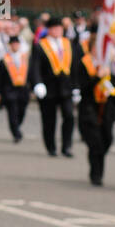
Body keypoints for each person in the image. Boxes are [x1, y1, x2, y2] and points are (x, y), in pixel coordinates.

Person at [76, 25, 115, 186]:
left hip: (106, 107)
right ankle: (96, 174)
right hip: (89, 107)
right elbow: (84, 88)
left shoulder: (108, 65)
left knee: (107, 139)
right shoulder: (84, 63)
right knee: (96, 143)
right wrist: (96, 77)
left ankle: (97, 164)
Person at [29, 16, 79, 158]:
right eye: (55, 28)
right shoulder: (40, 45)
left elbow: (75, 67)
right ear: (49, 30)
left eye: (59, 28)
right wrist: (37, 83)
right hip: (48, 89)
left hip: (66, 88)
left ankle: (67, 146)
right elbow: (35, 66)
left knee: (69, 116)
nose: (57, 31)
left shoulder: (68, 44)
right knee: (49, 119)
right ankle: (51, 146)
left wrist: (76, 86)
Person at [0, 32, 31, 143]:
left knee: (21, 111)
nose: (15, 46)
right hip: (9, 90)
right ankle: (16, 133)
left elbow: (30, 74)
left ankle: (17, 126)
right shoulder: (4, 59)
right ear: (10, 45)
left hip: (22, 90)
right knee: (12, 112)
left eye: (17, 44)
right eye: (13, 44)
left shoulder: (25, 59)